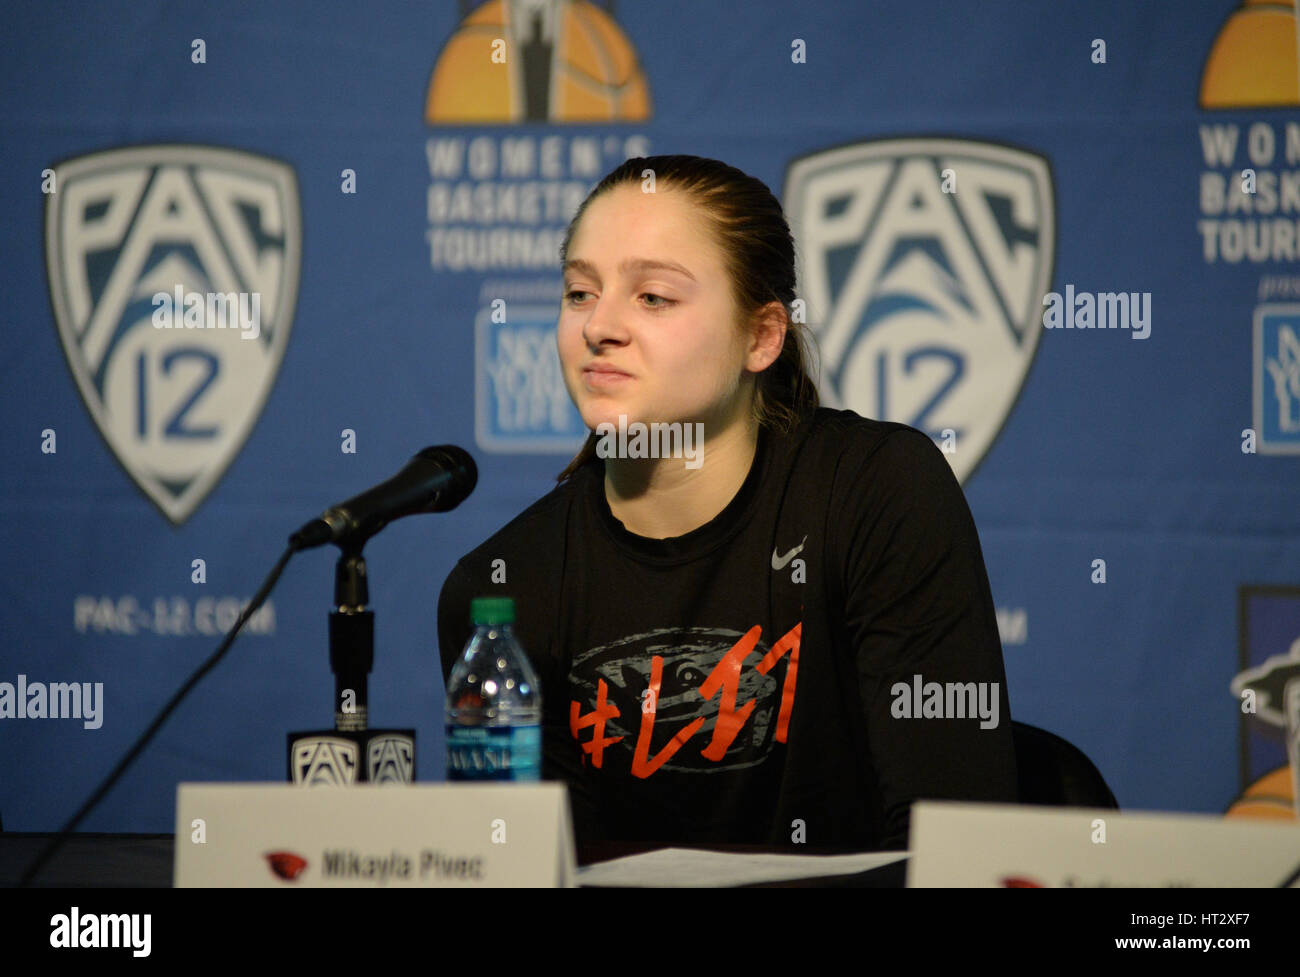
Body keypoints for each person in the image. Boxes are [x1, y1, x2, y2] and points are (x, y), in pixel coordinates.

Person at [438, 154, 1018, 851]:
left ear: (762, 335)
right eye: (579, 292)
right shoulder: (504, 589)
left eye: (653, 296)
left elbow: (953, 847)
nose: (600, 326)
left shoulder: (876, 495)